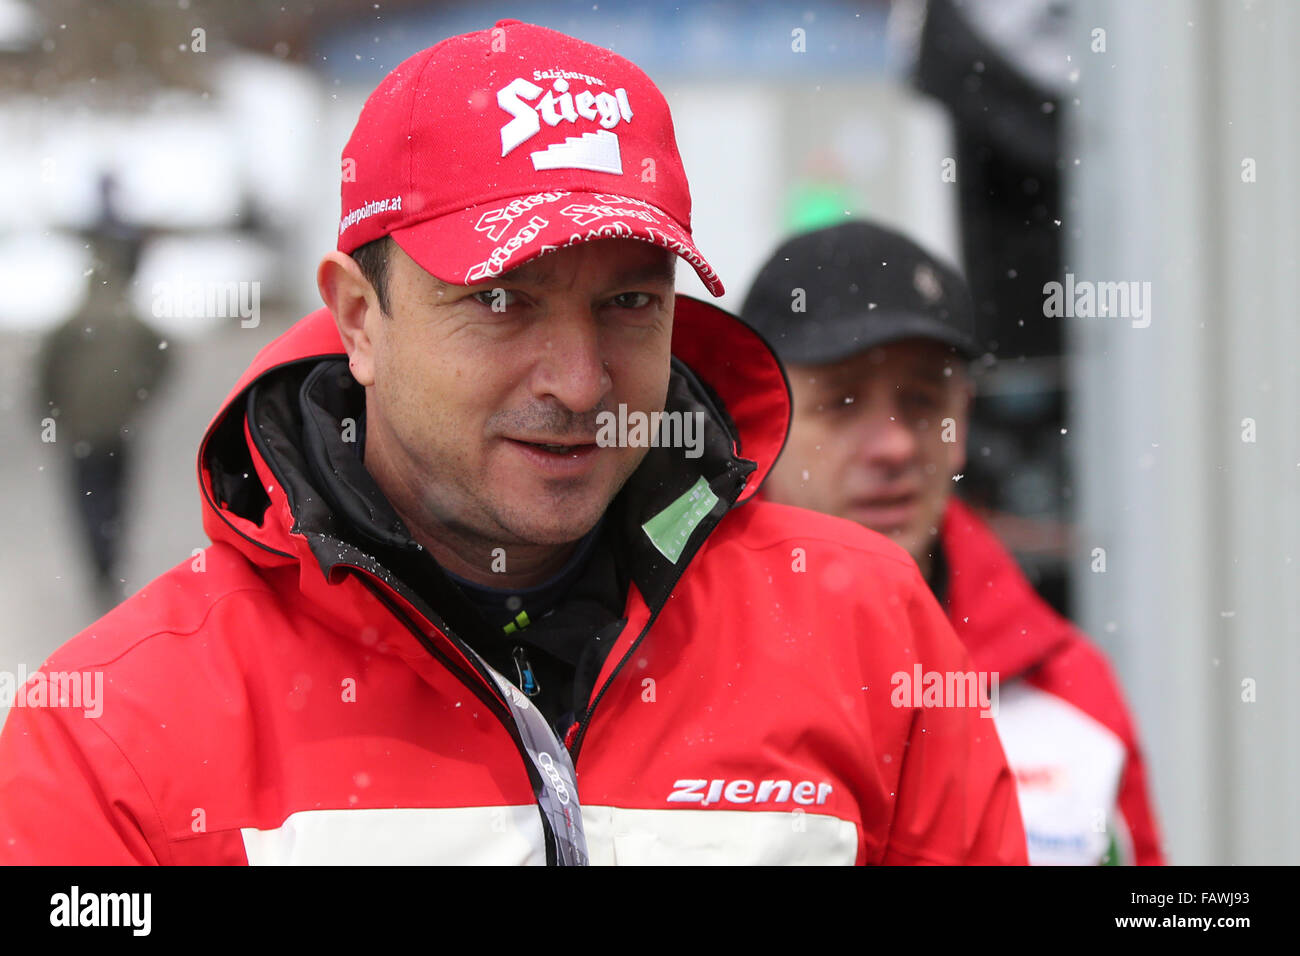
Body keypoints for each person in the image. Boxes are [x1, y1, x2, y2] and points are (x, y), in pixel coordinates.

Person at [0, 22, 1025, 865]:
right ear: (360, 318)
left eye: (629, 300)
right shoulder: (117, 729)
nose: (578, 383)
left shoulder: (867, 629)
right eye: (499, 300)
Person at [740, 220, 1165, 865]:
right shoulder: (658, 663)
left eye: (921, 401)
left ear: (961, 422)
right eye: (844, 401)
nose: (897, 446)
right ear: (755, 423)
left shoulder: (1073, 695)